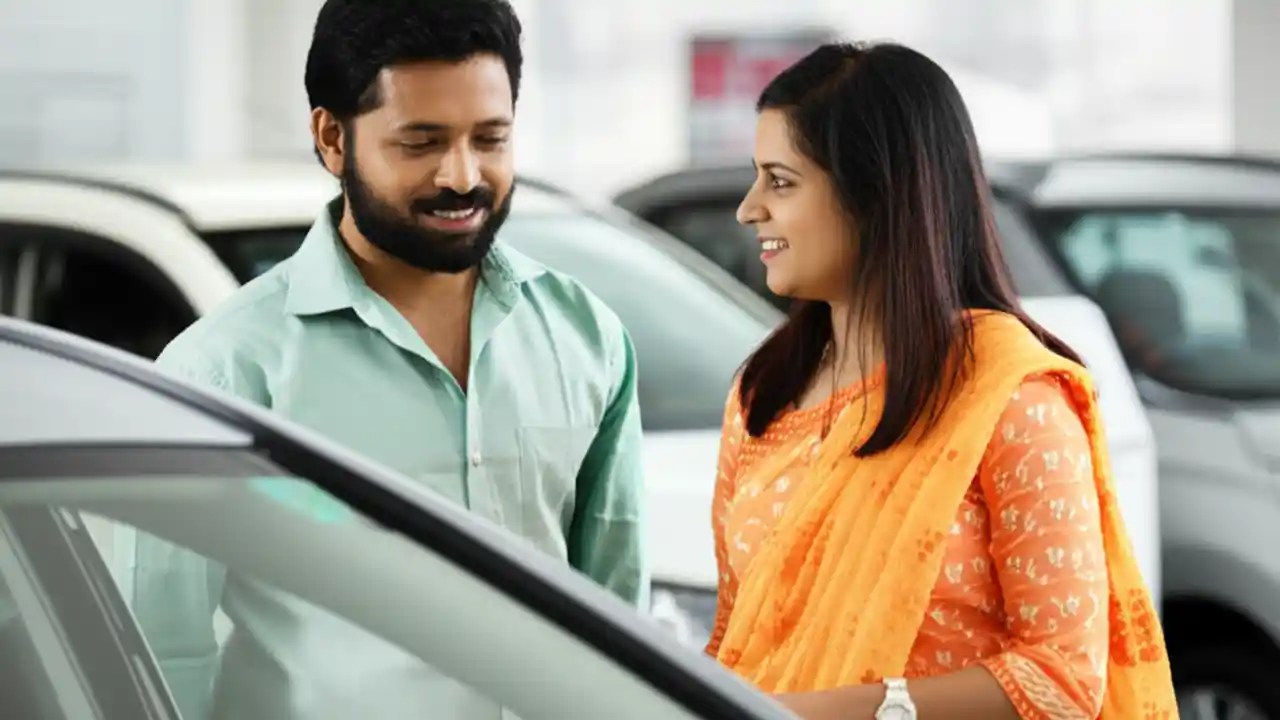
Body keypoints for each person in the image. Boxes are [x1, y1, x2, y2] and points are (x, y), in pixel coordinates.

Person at [130, 1, 646, 717]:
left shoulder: (586, 339)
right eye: (421, 142)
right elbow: (162, 653)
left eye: (490, 138)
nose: (463, 175)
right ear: (332, 138)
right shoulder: (225, 371)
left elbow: (619, 627)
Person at [705, 42, 1177, 719]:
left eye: (780, 181)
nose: (750, 209)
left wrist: (844, 712)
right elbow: (735, 637)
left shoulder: (1013, 399)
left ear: (876, 194)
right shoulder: (763, 395)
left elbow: (1062, 681)